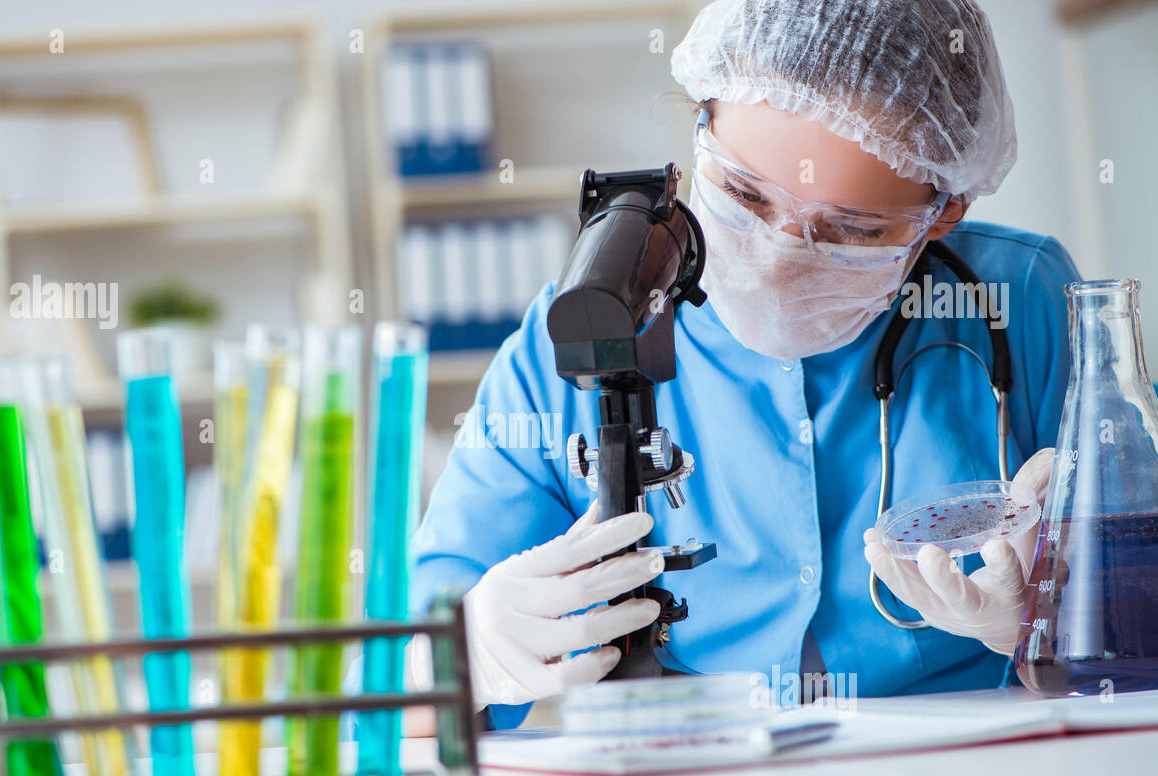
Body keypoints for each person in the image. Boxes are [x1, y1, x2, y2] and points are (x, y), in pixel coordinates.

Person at [411, 0, 1079, 728]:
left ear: (942, 211)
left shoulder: (1024, 304)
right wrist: (468, 653)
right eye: (744, 194)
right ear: (700, 130)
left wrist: (1057, 625)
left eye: (848, 230)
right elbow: (385, 708)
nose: (780, 258)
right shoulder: (579, 343)